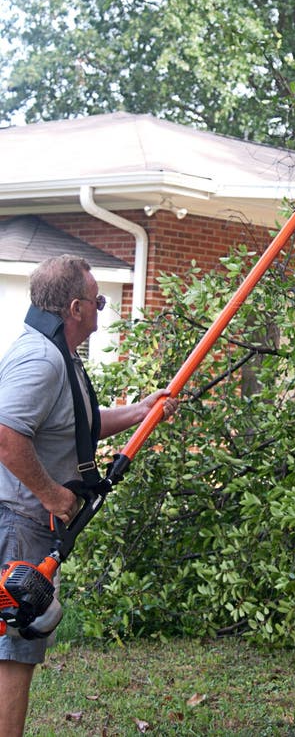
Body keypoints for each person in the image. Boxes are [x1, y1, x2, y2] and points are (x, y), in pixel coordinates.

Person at [0, 254, 178, 736]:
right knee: (15, 651)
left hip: (25, 523)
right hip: (17, 523)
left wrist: (142, 411)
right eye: (98, 300)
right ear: (76, 308)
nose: (103, 308)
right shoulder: (41, 359)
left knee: (16, 649)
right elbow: (5, 435)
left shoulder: (58, 354)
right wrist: (53, 494)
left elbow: (77, 426)